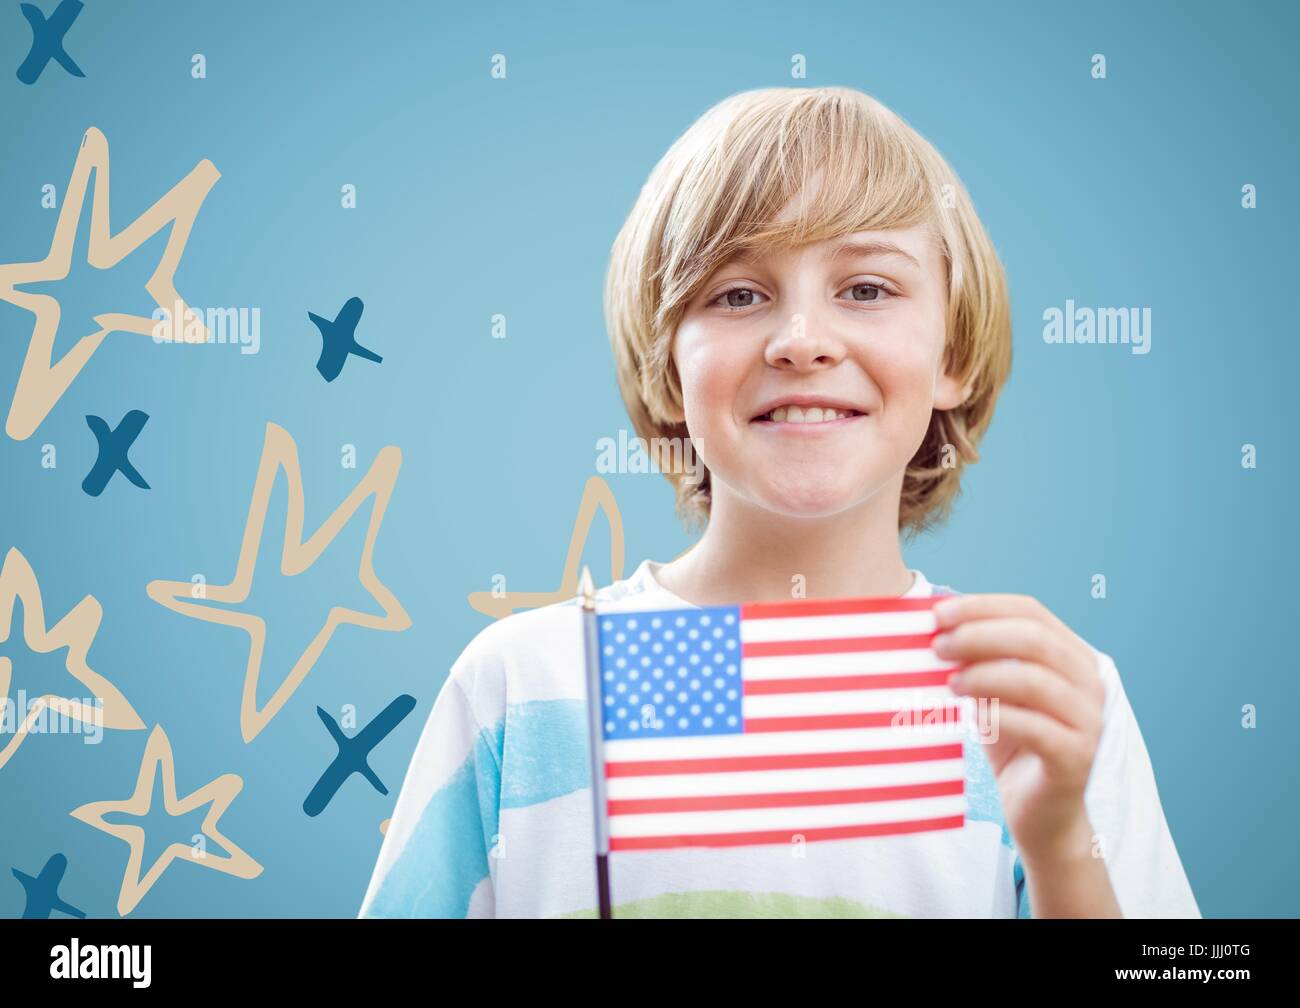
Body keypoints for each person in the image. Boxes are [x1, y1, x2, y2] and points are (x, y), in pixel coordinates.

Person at [358, 86, 1199, 918]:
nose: (801, 342)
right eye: (737, 294)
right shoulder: (523, 685)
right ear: (667, 371)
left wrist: (1058, 848)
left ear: (956, 354)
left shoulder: (1042, 699)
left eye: (866, 288)